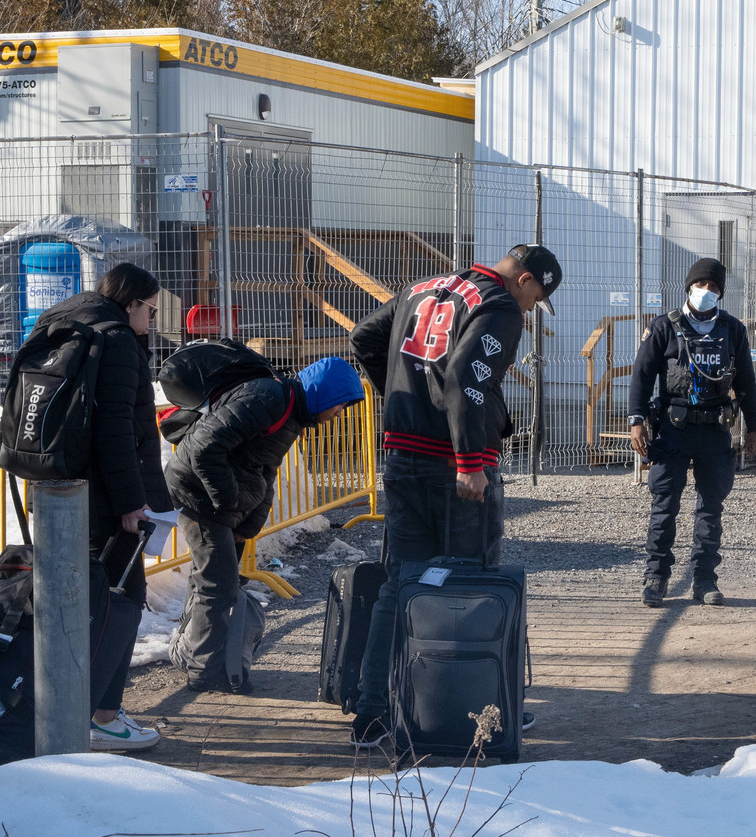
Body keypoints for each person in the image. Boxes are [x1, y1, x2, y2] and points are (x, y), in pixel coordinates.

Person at [346, 244, 562, 747]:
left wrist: (403, 396)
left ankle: (372, 713)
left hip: (402, 456)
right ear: (524, 279)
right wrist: (469, 461)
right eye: (536, 298)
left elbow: (363, 337)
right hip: (456, 465)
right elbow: (467, 379)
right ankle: (474, 709)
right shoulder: (498, 304)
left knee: (400, 585)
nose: (531, 309)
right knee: (471, 588)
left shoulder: (422, 287)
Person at [23, 262, 172, 751]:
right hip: (105, 499)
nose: (151, 319)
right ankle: (99, 716)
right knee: (122, 602)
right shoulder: (118, 340)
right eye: (150, 309)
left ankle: (64, 710)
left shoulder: (63, 319)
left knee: (79, 602)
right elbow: (116, 433)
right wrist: (133, 504)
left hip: (57, 486)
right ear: (131, 302)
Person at [165, 355, 365, 694]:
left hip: (221, 504)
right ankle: (203, 671)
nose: (339, 415)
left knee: (214, 581)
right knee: (218, 583)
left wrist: (250, 522)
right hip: (198, 494)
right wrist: (229, 505)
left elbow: (265, 470)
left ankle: (194, 654)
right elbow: (203, 450)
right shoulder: (270, 399)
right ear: (327, 395)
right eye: (340, 406)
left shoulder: (291, 412)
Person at [627, 257, 756, 607]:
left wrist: (754, 427)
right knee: (664, 505)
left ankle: (704, 580)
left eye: (714, 287)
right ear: (689, 287)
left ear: (721, 293)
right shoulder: (664, 327)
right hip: (672, 432)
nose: (707, 292)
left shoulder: (733, 330)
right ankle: (656, 577)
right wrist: (636, 420)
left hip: (715, 432)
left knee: (710, 509)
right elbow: (641, 376)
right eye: (701, 285)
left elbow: (746, 382)